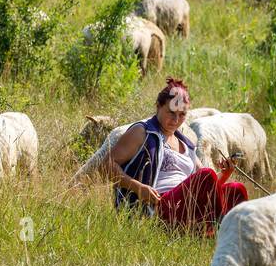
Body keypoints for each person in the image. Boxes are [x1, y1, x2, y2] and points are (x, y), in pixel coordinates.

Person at [87, 77, 248, 233]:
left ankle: (229, 234)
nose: (176, 120)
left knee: (236, 189)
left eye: (182, 114)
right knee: (206, 174)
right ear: (158, 106)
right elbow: (105, 166)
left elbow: (204, 188)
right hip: (158, 207)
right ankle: (218, 231)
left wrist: (225, 174)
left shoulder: (186, 144)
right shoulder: (142, 132)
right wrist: (138, 187)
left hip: (185, 208)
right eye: (171, 113)